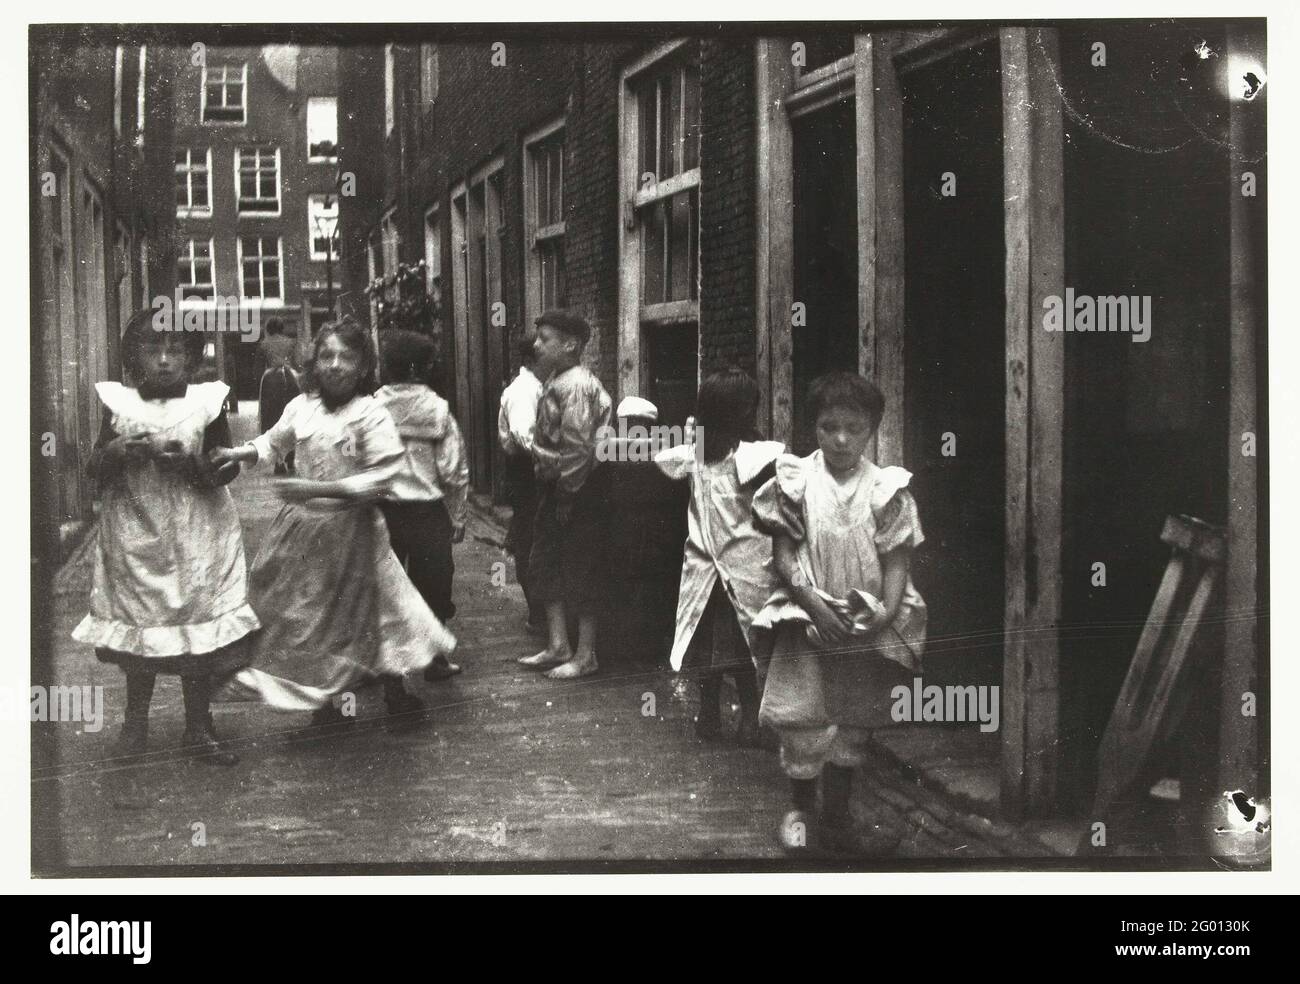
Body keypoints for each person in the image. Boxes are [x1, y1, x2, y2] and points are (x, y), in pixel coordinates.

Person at [211, 318, 455, 724]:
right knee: (313, 616)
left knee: (380, 613)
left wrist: (321, 491)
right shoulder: (301, 406)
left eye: (347, 357)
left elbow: (384, 475)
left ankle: (397, 696)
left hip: (354, 531)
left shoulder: (370, 413)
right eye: (327, 355)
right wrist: (240, 453)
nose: (335, 365)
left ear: (363, 366)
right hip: (306, 536)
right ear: (314, 362)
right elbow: (274, 441)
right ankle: (327, 708)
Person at [72, 310, 261, 766]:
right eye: (152, 351)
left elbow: (226, 467)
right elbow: (94, 469)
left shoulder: (207, 403)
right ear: (134, 358)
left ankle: (198, 726)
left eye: (174, 351)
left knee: (195, 631)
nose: (163, 361)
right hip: (136, 531)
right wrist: (116, 452)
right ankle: (135, 724)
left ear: (192, 358)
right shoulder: (118, 404)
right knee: (141, 632)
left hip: (197, 533)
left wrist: (194, 465)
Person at [750, 371, 927, 855]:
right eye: (829, 427)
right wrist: (812, 605)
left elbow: (895, 560)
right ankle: (801, 812)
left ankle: (837, 817)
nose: (842, 439)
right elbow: (784, 558)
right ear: (814, 429)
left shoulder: (886, 489)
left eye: (854, 428)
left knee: (853, 717)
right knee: (804, 719)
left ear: (872, 429)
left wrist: (887, 613)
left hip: (862, 618)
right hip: (808, 614)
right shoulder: (796, 480)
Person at [655, 368, 783, 747]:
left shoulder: (698, 456)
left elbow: (663, 459)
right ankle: (748, 716)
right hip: (743, 568)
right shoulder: (756, 457)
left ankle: (708, 712)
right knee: (744, 648)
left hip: (708, 569)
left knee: (709, 647)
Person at [517, 309, 612, 680]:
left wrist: (567, 496)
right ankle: (559, 645)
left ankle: (586, 654)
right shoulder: (558, 380)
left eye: (545, 339)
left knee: (580, 568)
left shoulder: (575, 384)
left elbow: (577, 447)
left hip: (577, 491)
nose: (536, 345)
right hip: (557, 489)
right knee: (545, 563)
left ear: (570, 345)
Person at [375, 329, 467, 682]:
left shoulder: (371, 407)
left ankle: (382, 664)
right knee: (433, 584)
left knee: (385, 587)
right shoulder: (437, 409)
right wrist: (458, 516)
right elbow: (454, 469)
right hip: (427, 512)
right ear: (423, 368)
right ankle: (434, 659)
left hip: (383, 511)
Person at [497, 327, 545, 632]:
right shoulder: (524, 389)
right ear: (531, 358)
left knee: (531, 537)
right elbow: (524, 435)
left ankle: (540, 612)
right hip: (527, 471)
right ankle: (537, 614)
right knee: (530, 541)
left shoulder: (537, 385)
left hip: (531, 470)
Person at [257, 318, 301, 474]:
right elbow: (296, 363)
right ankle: (290, 461)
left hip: (269, 380)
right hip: (289, 377)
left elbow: (260, 367)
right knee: (292, 417)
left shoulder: (263, 344)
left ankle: (278, 462)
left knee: (271, 419)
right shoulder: (291, 342)